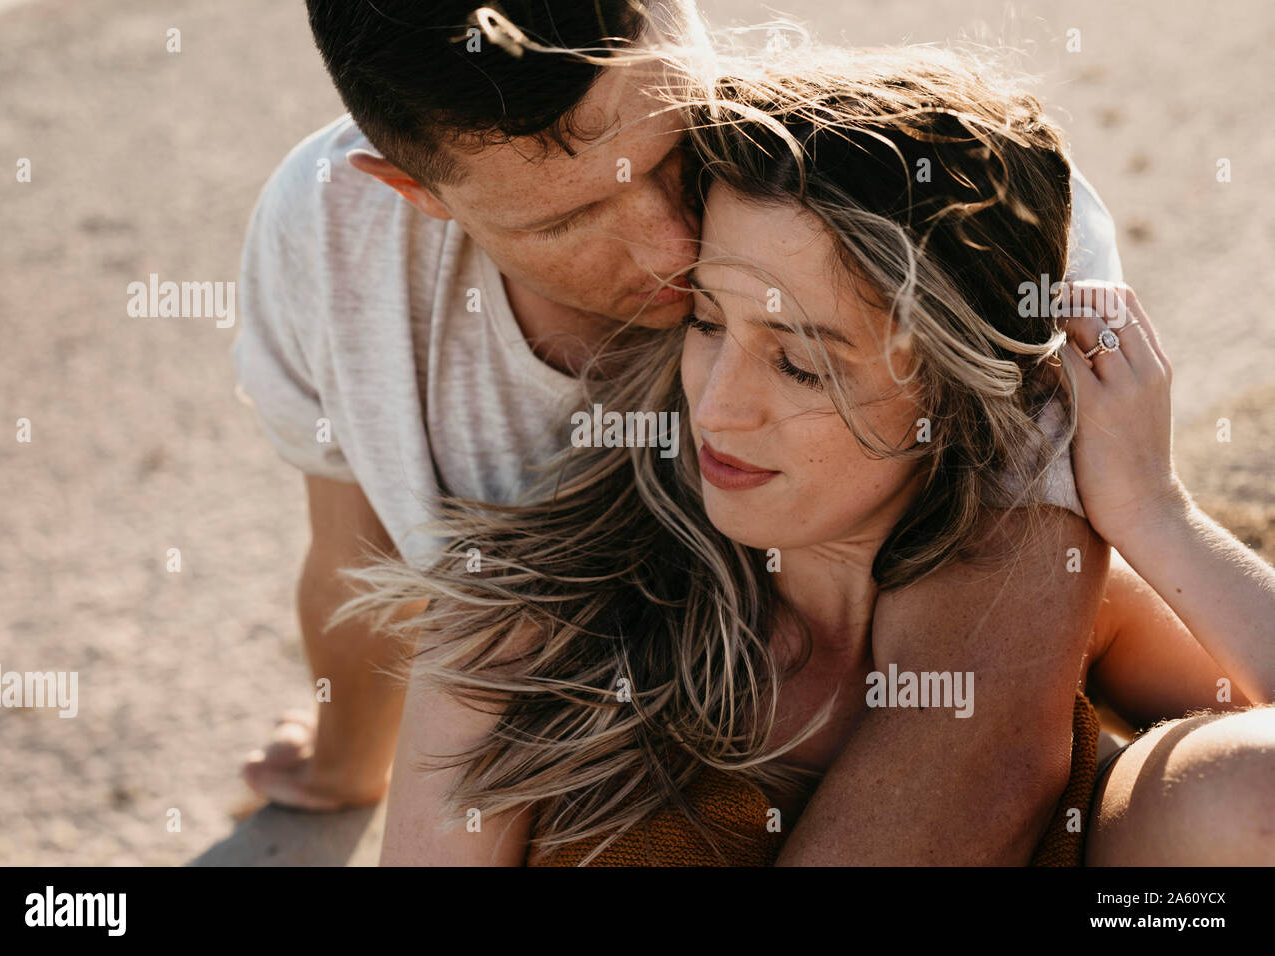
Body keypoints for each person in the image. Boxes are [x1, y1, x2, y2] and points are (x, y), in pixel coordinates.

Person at [340, 42, 1275, 866]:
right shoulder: (523, 640)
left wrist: (1154, 511)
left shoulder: (1049, 587)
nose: (718, 409)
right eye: (706, 321)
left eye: (799, 365)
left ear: (952, 390)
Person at [230, 0, 1112, 833]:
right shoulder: (328, 234)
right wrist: (346, 760)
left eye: (670, 152)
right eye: (567, 219)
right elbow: (353, 550)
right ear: (411, 191)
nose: (670, 246)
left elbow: (980, 729)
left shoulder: (958, 215)